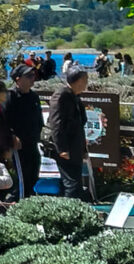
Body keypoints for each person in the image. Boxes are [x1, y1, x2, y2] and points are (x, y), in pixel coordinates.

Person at [47, 68, 91, 200]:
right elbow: (56, 124)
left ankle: (74, 211)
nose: (87, 83)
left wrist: (83, 148)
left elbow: (80, 123)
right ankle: (67, 213)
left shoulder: (75, 96)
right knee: (71, 184)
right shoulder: (61, 95)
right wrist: (62, 149)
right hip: (66, 148)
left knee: (76, 183)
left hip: (75, 146)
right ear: (78, 81)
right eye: (85, 80)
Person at [5, 65, 44, 199]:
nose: (32, 79)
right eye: (28, 76)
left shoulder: (33, 97)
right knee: (22, 175)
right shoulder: (10, 97)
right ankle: (17, 199)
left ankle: (27, 197)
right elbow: (4, 121)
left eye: (33, 75)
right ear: (18, 79)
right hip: (18, 146)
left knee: (34, 172)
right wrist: (12, 137)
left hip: (32, 143)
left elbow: (38, 119)